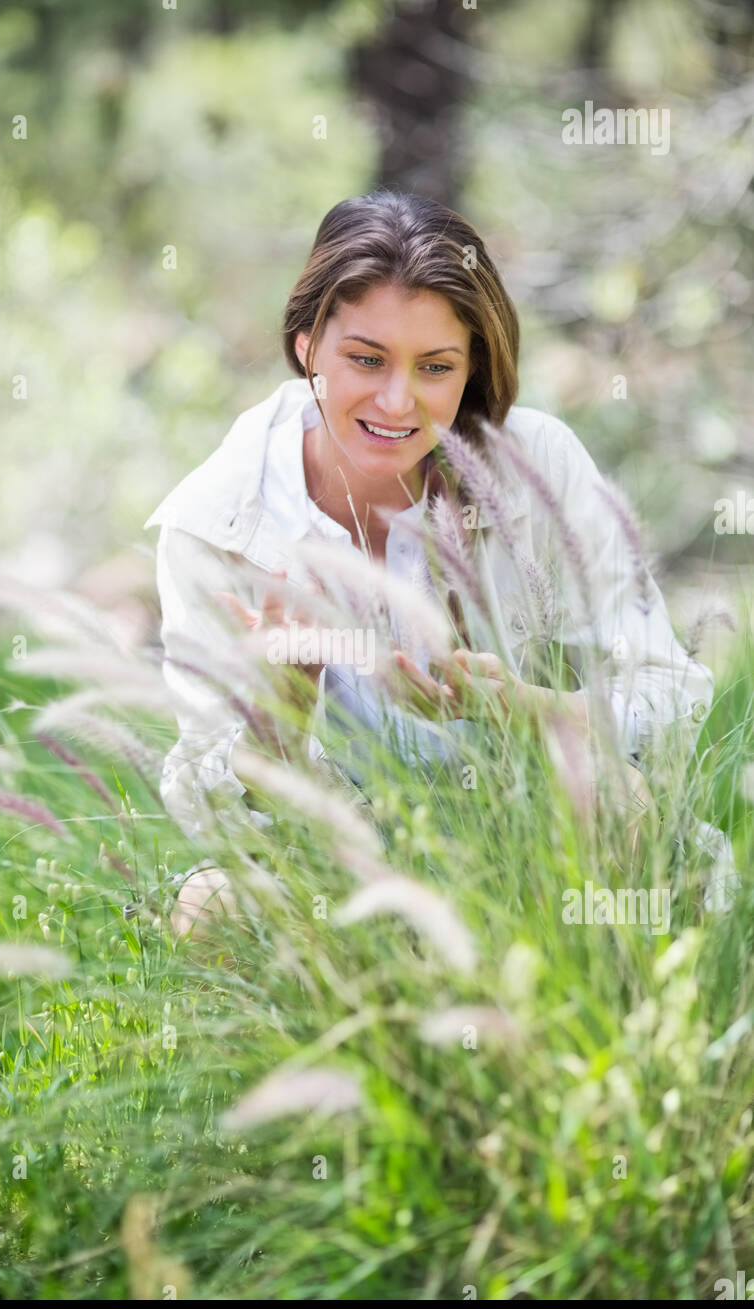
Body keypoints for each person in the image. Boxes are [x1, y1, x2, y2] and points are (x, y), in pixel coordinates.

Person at [144, 191, 727, 941]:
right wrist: (281, 711)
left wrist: (531, 711)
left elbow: (674, 691)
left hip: (532, 846)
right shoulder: (217, 524)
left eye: (435, 366)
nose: (398, 399)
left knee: (613, 792)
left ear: (470, 368)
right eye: (365, 359)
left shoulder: (535, 465)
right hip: (340, 877)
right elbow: (208, 810)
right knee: (210, 911)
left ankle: (614, 1031)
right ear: (305, 345)